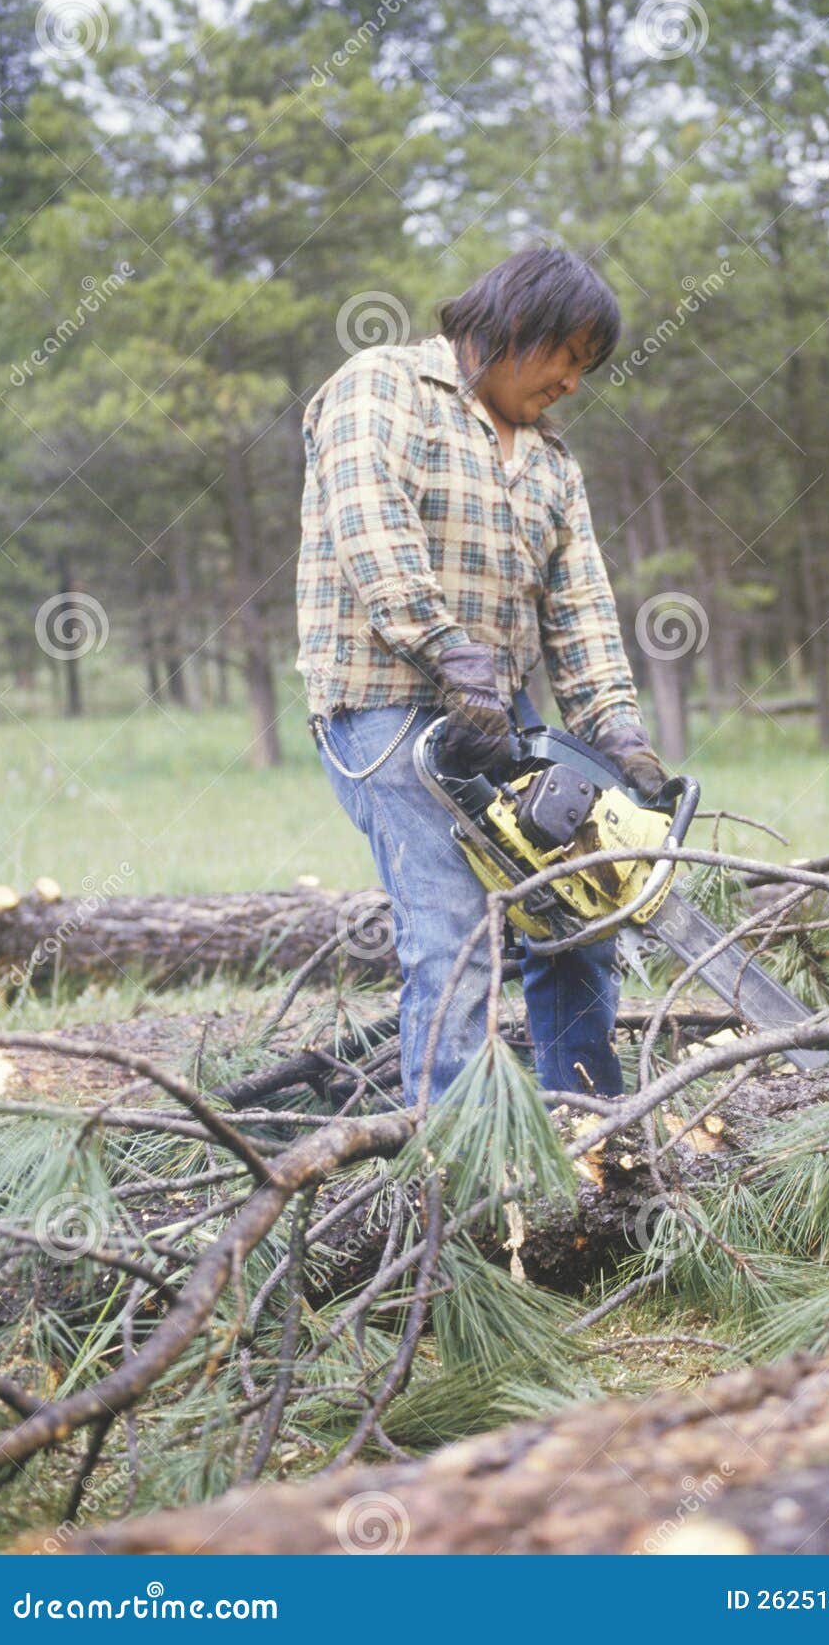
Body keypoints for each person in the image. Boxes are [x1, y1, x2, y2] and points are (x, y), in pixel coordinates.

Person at [296, 245, 666, 1104]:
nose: (571, 382)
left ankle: (585, 1118)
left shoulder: (551, 463)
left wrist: (619, 736)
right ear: (516, 324)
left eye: (585, 368)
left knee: (578, 908)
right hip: (386, 707)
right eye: (567, 356)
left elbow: (580, 611)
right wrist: (447, 652)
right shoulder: (383, 386)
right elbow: (370, 522)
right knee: (452, 931)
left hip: (499, 715)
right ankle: (453, 1149)